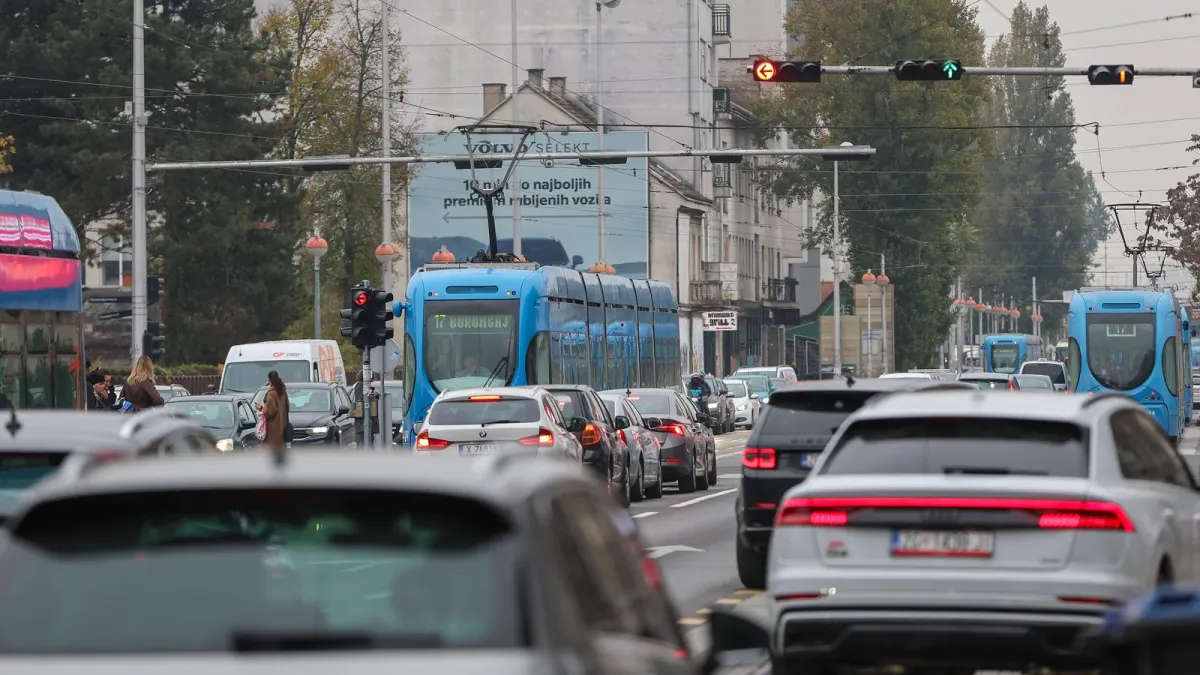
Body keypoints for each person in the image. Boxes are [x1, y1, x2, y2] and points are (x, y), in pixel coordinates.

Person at [255, 371, 289, 449]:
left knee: (270, 452)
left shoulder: (271, 394)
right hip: (282, 427)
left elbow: (269, 412)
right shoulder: (283, 391)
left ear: (269, 379)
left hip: (272, 429)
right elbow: (288, 406)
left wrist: (259, 408)